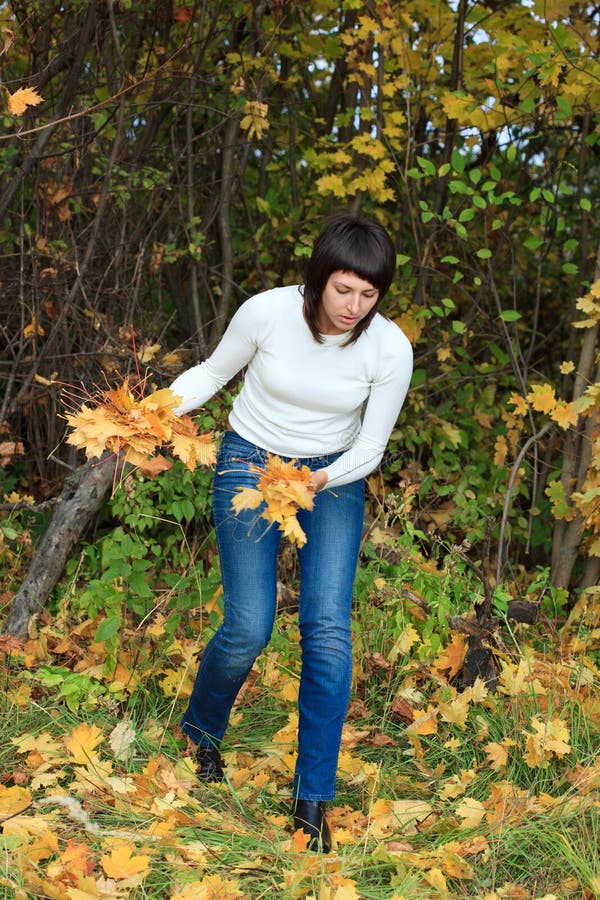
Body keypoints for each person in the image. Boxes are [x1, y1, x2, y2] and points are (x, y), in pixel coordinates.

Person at [169, 213, 413, 852]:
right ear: (317, 281)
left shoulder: (389, 349)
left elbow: (372, 447)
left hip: (333, 476)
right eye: (343, 290)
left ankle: (312, 801)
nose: (353, 308)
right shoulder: (267, 314)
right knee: (249, 624)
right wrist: (154, 409)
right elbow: (211, 375)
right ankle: (201, 732)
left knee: (327, 632)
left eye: (368, 295)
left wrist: (319, 482)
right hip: (250, 460)